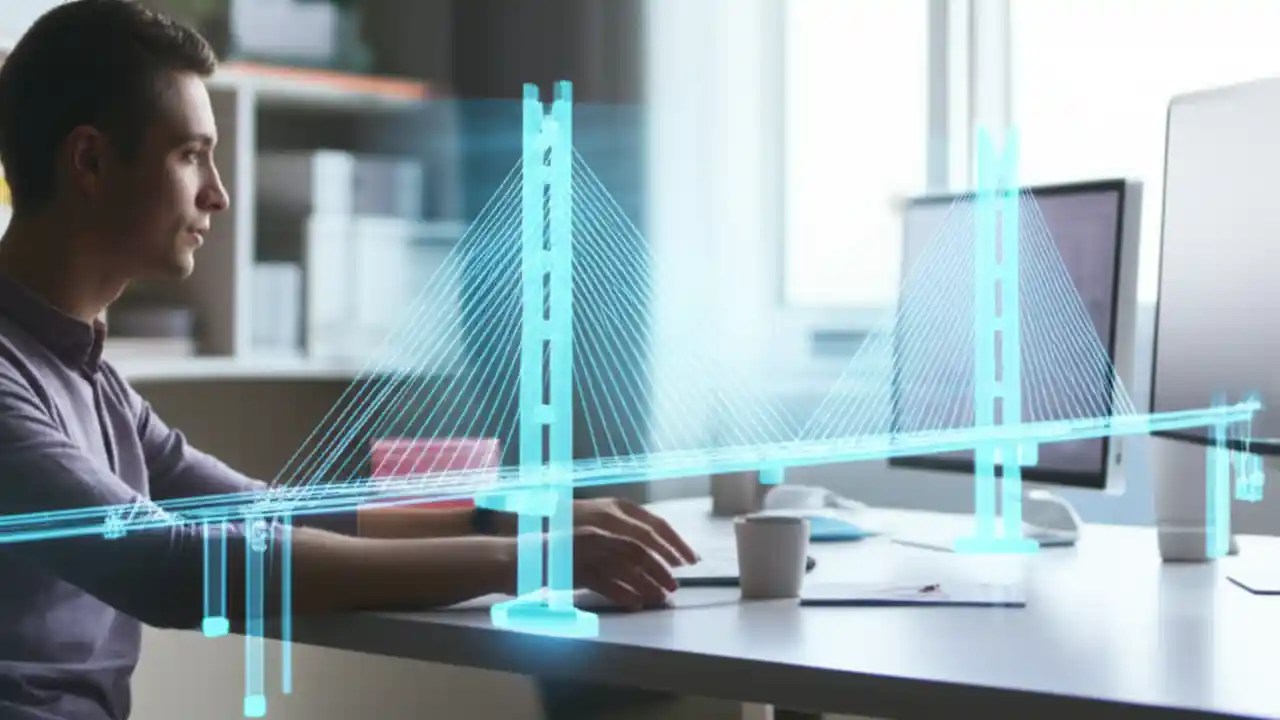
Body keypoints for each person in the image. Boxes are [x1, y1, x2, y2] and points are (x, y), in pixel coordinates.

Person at [0, 2, 699, 719]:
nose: (220, 192)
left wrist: (523, 521)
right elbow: (173, 568)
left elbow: (265, 512)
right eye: (189, 155)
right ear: (88, 160)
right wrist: (531, 562)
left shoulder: (89, 376)